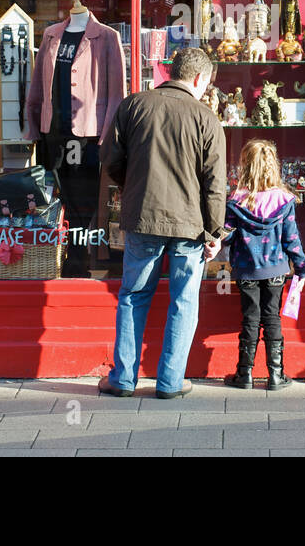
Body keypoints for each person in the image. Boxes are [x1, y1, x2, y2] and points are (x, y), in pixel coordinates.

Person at [97, 47, 227, 399]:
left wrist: (134, 186)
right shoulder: (206, 118)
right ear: (199, 79)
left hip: (143, 217)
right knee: (184, 302)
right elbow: (216, 184)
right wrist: (215, 232)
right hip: (190, 226)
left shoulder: (134, 105)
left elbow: (109, 159)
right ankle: (170, 382)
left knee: (133, 296)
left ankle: (123, 380)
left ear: (173, 71)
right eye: (207, 84)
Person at [220, 140, 305, 390]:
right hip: (276, 269)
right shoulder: (284, 200)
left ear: (245, 167)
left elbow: (227, 237)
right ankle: (276, 375)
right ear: (273, 167)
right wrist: (300, 267)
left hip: (247, 270)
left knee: (250, 318)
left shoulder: (236, 200)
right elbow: (292, 239)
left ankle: (244, 374)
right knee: (272, 319)